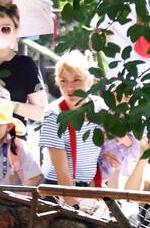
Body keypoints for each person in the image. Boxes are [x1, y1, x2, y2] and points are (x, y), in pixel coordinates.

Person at [40, 51, 106, 199]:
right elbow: (62, 171)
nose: (70, 87)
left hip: (89, 187)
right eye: (63, 80)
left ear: (90, 81)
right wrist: (75, 205)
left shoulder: (101, 108)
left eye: (77, 80)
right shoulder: (53, 115)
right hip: (57, 189)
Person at [0, 0, 46, 125]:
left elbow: (42, 112)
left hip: (12, 141)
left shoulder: (25, 65)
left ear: (15, 32)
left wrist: (6, 105)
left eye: (5, 29)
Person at [0, 97, 41, 186]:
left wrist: (20, 195)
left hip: (12, 199)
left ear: (9, 126)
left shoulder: (18, 147)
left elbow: (35, 177)